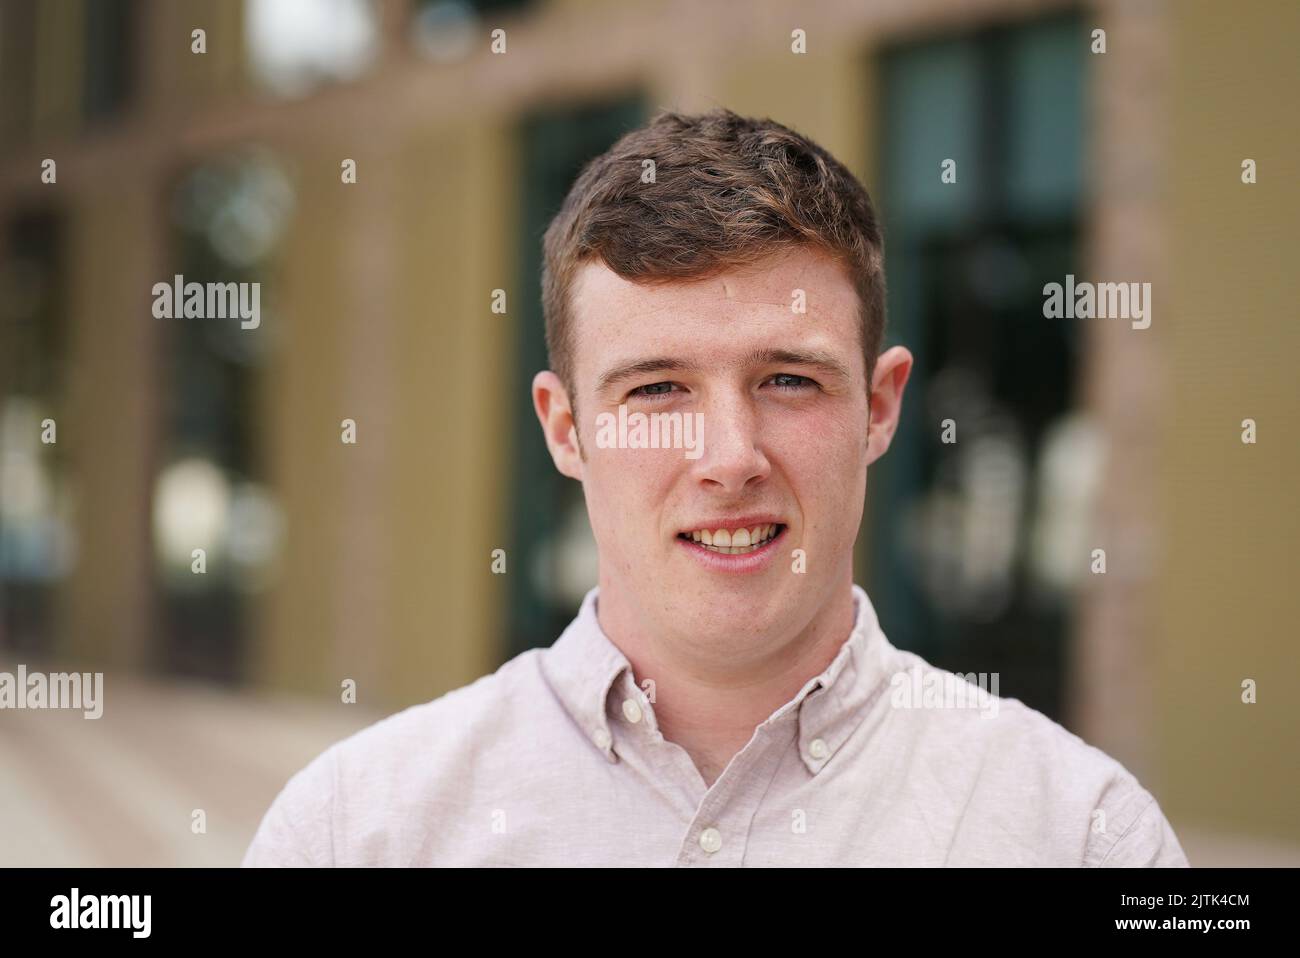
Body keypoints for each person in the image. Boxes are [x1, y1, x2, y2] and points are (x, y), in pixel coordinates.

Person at [243, 109, 1187, 867]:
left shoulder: (1084, 837)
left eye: (788, 380)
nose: (730, 457)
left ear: (881, 407)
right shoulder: (353, 833)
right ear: (566, 429)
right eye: (657, 389)